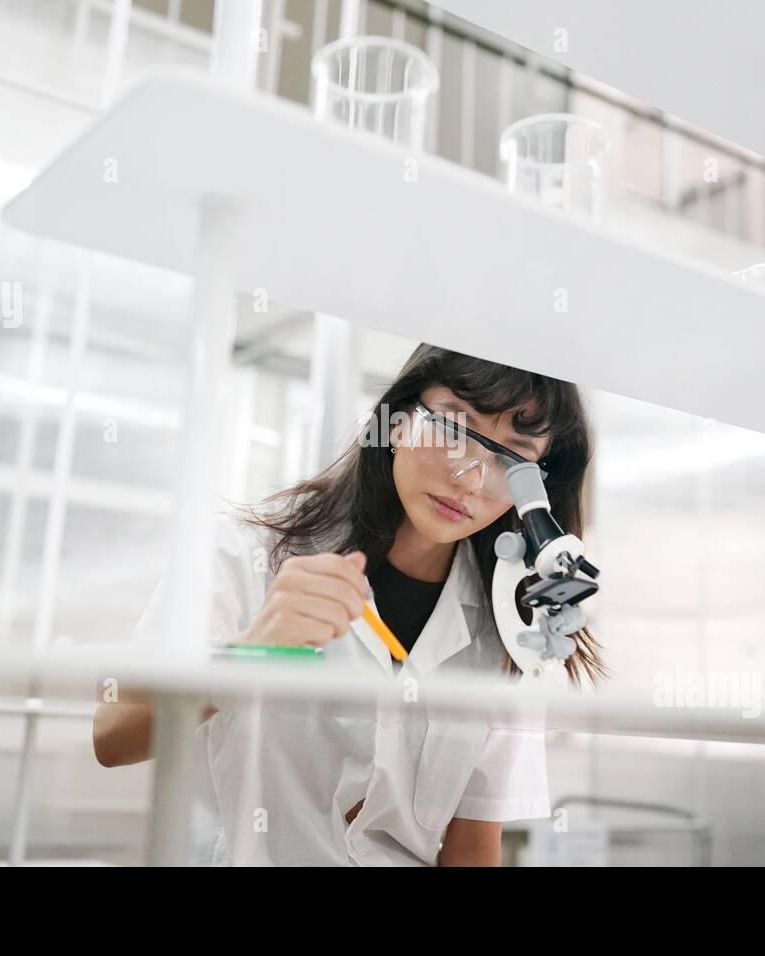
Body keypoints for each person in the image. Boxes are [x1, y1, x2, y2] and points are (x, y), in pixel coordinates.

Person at [93, 344, 606, 865]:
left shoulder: (511, 624)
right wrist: (253, 654)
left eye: (509, 460)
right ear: (399, 420)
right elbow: (112, 735)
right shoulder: (248, 553)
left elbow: (472, 845)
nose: (469, 479)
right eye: (454, 428)